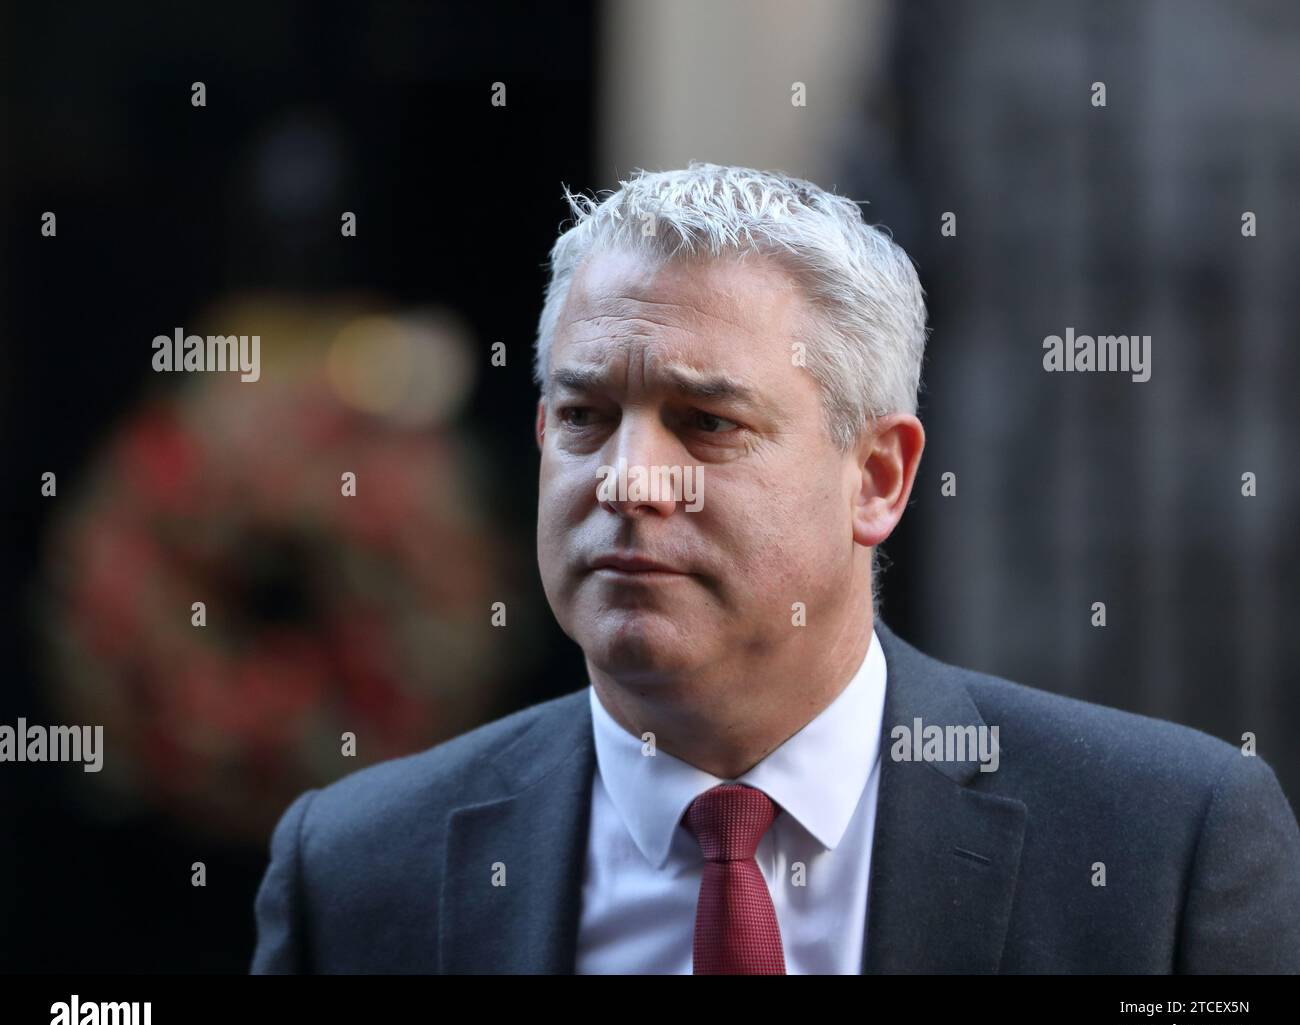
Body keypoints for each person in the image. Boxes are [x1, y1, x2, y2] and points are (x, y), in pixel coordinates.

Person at [251, 162, 1300, 974]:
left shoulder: (1163, 848)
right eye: (584, 417)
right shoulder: (356, 869)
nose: (628, 482)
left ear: (878, 478)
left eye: (706, 423)